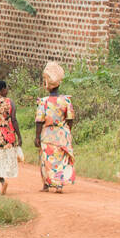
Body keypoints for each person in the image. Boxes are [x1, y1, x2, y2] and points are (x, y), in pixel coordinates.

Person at [34, 61, 75, 192]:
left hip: (47, 134)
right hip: (62, 134)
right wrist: (67, 130)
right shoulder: (66, 100)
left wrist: (37, 136)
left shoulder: (44, 102)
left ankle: (46, 184)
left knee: (46, 160)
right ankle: (59, 184)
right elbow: (70, 118)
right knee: (60, 160)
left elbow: (39, 121)